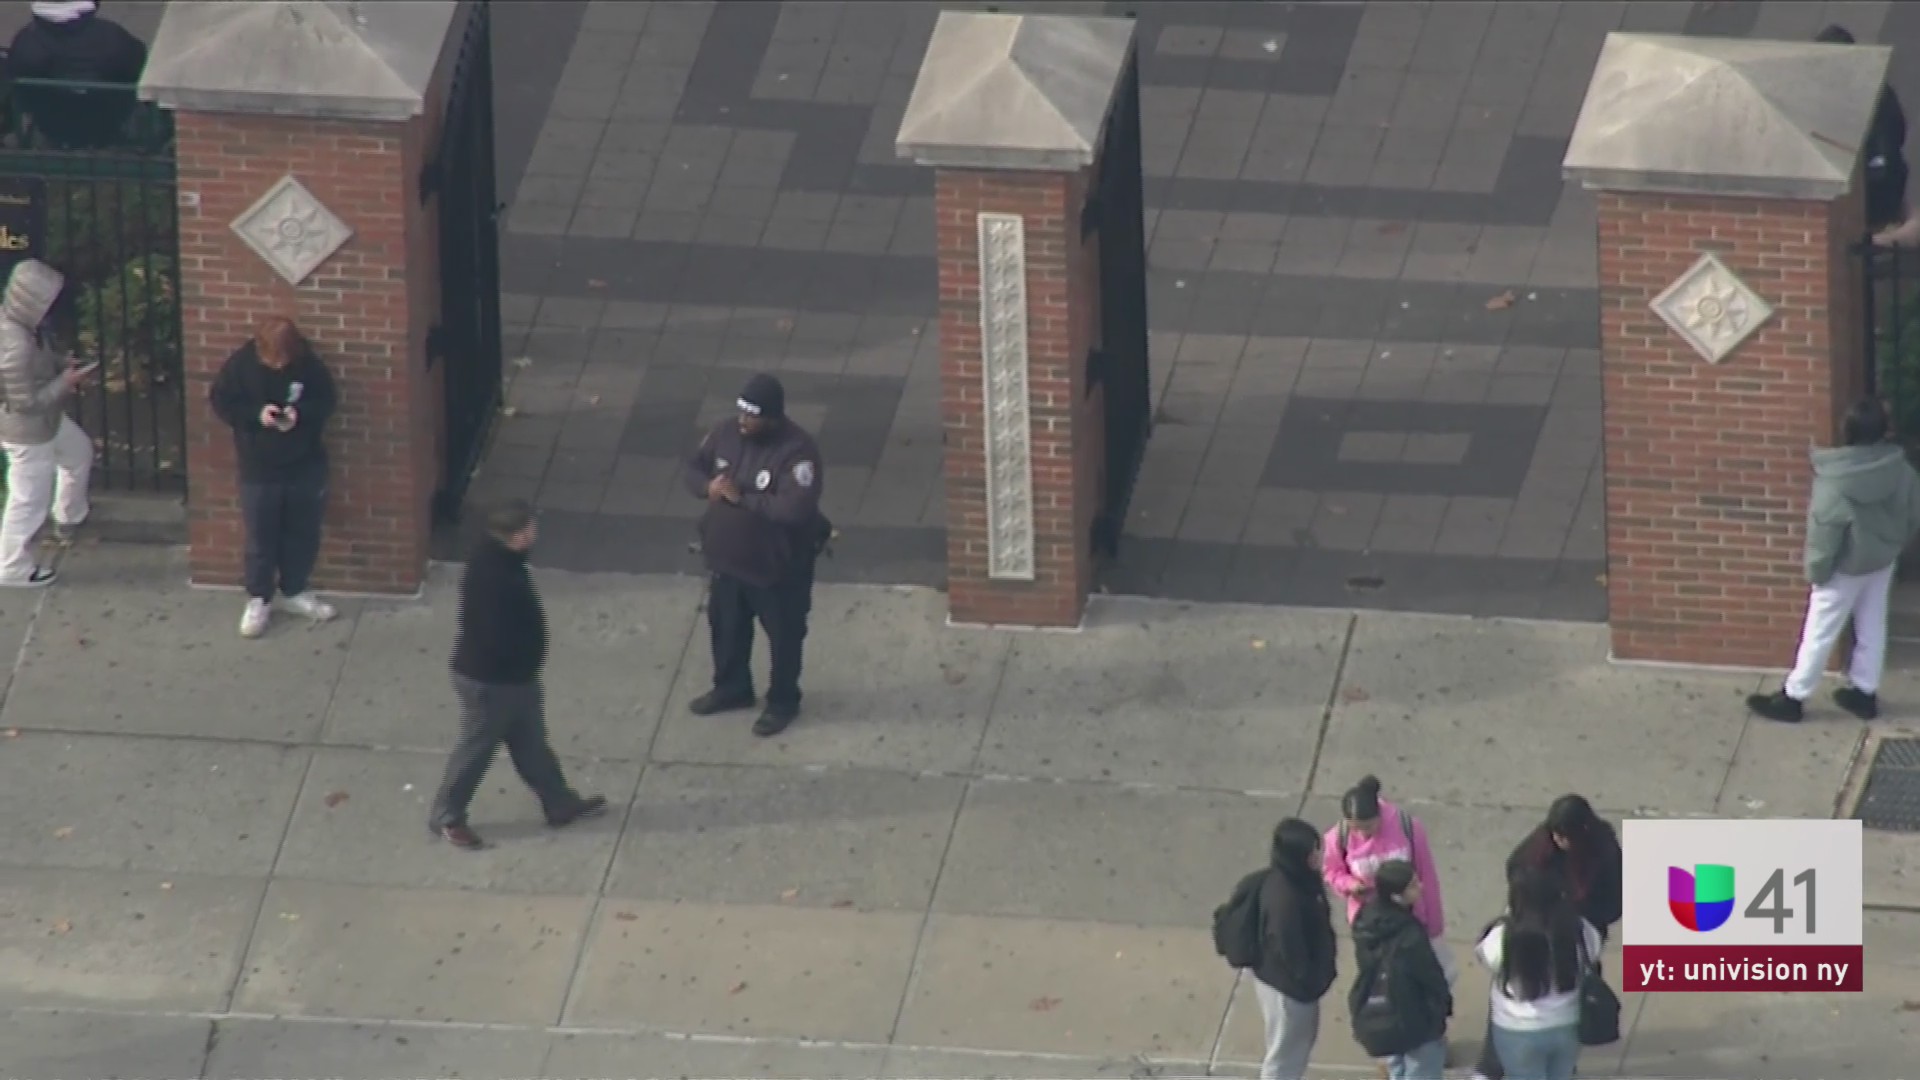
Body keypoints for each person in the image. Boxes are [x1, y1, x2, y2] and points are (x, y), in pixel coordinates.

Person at [429, 499, 607, 849]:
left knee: (532, 745)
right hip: (492, 681)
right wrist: (519, 664)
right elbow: (494, 633)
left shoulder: (500, 561)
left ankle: (559, 803)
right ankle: (446, 816)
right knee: (476, 749)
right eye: (530, 527)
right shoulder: (494, 575)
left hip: (514, 679)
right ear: (520, 535)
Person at [1748, 398, 1920, 724]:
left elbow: (1824, 533)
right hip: (1881, 559)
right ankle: (1864, 692)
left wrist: (1817, 571)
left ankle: (1795, 696)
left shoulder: (1835, 479)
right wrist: (1893, 544)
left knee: (1820, 630)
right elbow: (1913, 514)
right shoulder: (1902, 470)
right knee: (1872, 623)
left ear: (1848, 430)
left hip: (1845, 566)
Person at [681, 373, 827, 737]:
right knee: (726, 628)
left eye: (753, 415)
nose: (743, 420)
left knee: (784, 636)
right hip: (728, 563)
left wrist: (742, 498)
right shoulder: (725, 433)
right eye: (741, 411)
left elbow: (794, 508)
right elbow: (693, 467)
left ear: (773, 417)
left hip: (777, 569)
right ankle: (732, 688)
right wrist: (707, 487)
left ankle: (782, 701)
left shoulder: (797, 452)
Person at [1473, 795, 1622, 1080]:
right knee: (1527, 984)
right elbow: (1516, 867)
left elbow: (1613, 904)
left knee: (1516, 989)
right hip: (1542, 927)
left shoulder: (1603, 853)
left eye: (1565, 836)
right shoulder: (1539, 849)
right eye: (1555, 835)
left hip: (1574, 925)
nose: (1559, 841)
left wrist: (1575, 913)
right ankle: (1497, 1063)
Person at [208, 318, 339, 638]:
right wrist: (256, 415)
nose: (279, 365)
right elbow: (222, 401)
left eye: (283, 359)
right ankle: (259, 598)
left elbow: (327, 400)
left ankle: (295, 589)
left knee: (303, 532)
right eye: (273, 359)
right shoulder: (242, 365)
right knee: (260, 538)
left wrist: (301, 414)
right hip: (259, 465)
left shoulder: (309, 366)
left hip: (304, 462)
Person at [0, 258, 90, 587]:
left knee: (78, 453)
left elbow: (37, 364)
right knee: (27, 500)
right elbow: (24, 402)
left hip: (46, 423)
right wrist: (65, 382)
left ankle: (68, 517)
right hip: (27, 433)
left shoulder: (23, 327)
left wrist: (59, 363)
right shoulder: (15, 343)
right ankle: (12, 568)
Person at [1323, 776, 1454, 984]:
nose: (1363, 833)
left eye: (1368, 826)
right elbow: (1332, 872)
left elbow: (1426, 875)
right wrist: (1350, 885)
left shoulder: (1407, 828)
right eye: (1357, 828)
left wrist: (1434, 927)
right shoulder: (1338, 838)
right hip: (1370, 923)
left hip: (1411, 915)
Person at [1475, 869, 1601, 1080]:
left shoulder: (1505, 935)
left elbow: (1486, 958)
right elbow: (1593, 951)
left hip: (1516, 1027)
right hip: (1566, 1023)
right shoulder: (1578, 930)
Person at [1249, 818, 1338, 1080]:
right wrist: (1312, 982)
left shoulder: (1295, 880)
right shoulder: (1285, 899)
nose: (1317, 857)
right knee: (1285, 1057)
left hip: (1291, 986)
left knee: (1292, 1049)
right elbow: (1290, 950)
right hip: (1288, 991)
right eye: (1312, 852)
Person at [1349, 860, 1451, 1080]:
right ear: (1397, 896)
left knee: (1397, 1066)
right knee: (1423, 1070)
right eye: (1413, 885)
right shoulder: (1410, 936)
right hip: (1415, 1018)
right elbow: (1431, 978)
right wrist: (1442, 1008)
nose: (1421, 886)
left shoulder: (1365, 922)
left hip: (1384, 1013)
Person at [5, 2, 149, 150]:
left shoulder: (26, 41)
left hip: (49, 125)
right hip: (111, 119)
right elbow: (138, 67)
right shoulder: (114, 36)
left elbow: (17, 85)